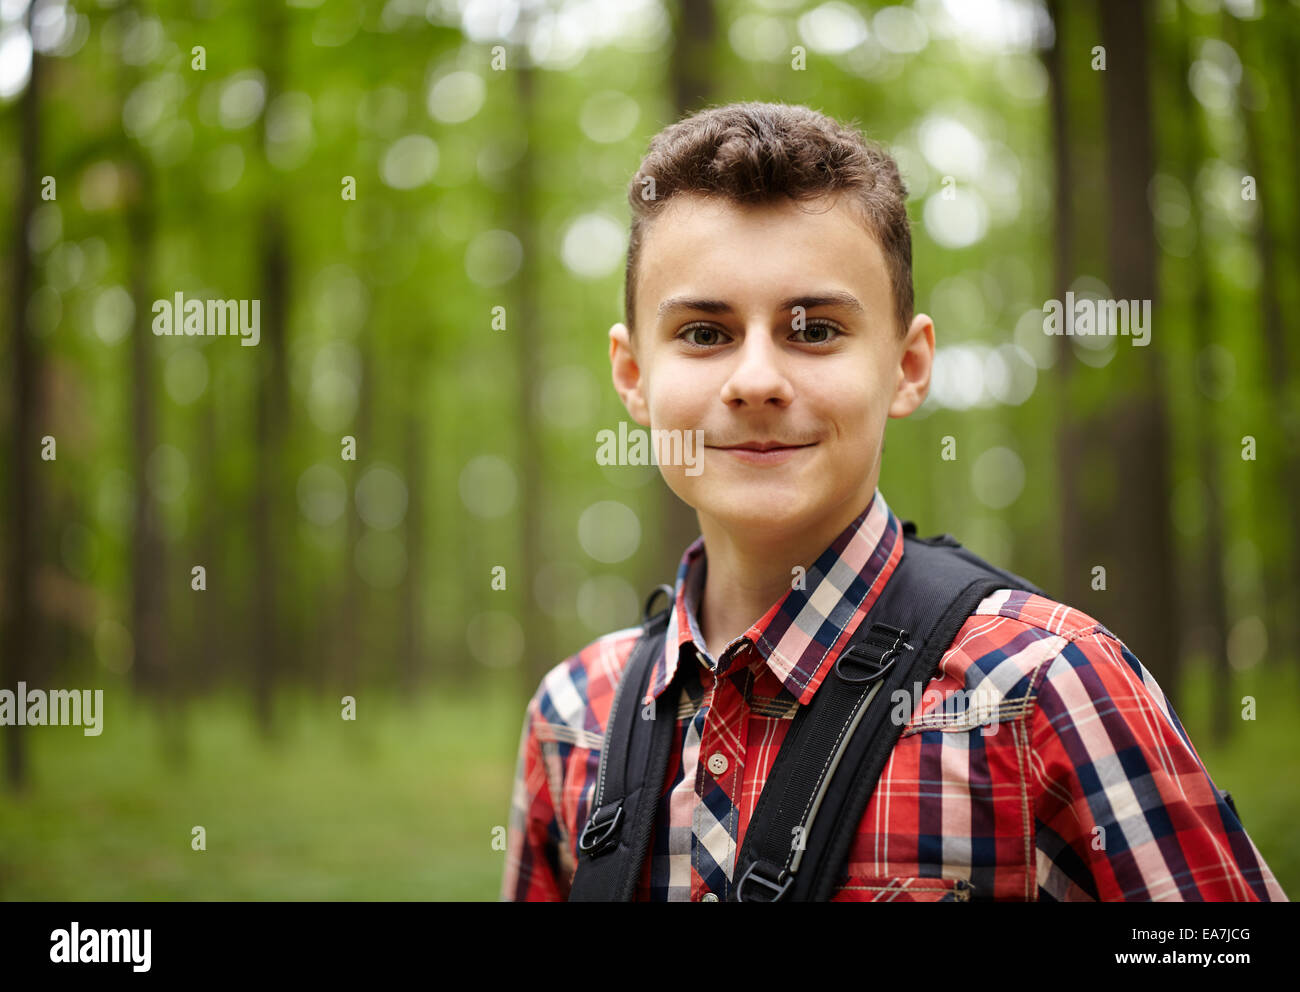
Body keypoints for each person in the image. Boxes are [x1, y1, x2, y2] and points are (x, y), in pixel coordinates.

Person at [500, 101, 1286, 902]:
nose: (758, 381)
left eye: (814, 332)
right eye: (705, 333)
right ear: (633, 376)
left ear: (908, 366)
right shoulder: (573, 720)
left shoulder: (1046, 689)